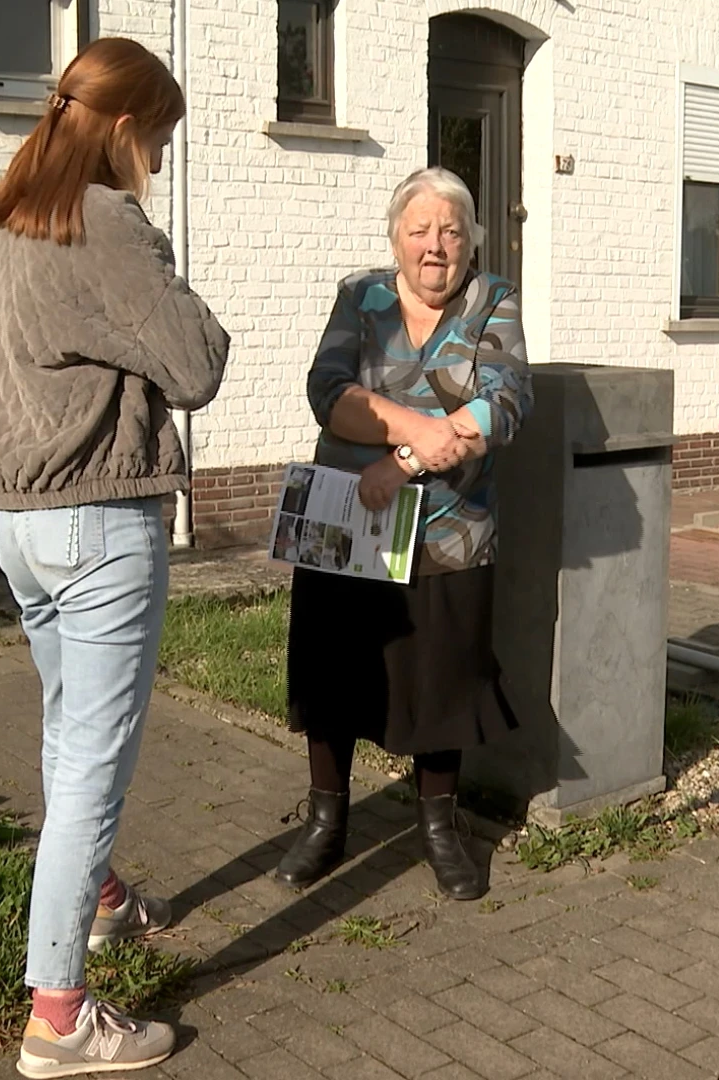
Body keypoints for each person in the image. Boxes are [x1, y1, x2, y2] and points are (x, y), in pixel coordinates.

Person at [0, 37, 229, 1079]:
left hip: (20, 525)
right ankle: (59, 1017)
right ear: (121, 127)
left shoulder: (1, 225)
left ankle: (103, 900)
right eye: (156, 135)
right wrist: (155, 265)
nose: (157, 153)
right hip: (101, 520)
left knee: (69, 731)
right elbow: (197, 361)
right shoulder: (104, 223)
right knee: (90, 770)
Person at [278, 166, 533, 902]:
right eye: (420, 230)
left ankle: (438, 830)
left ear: (470, 241)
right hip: (348, 524)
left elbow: (506, 402)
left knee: (442, 682)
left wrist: (402, 461)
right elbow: (328, 392)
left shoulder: (495, 302)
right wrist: (420, 430)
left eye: (451, 231)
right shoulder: (363, 298)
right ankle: (327, 823)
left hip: (451, 533)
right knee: (335, 675)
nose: (435, 245)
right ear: (396, 237)